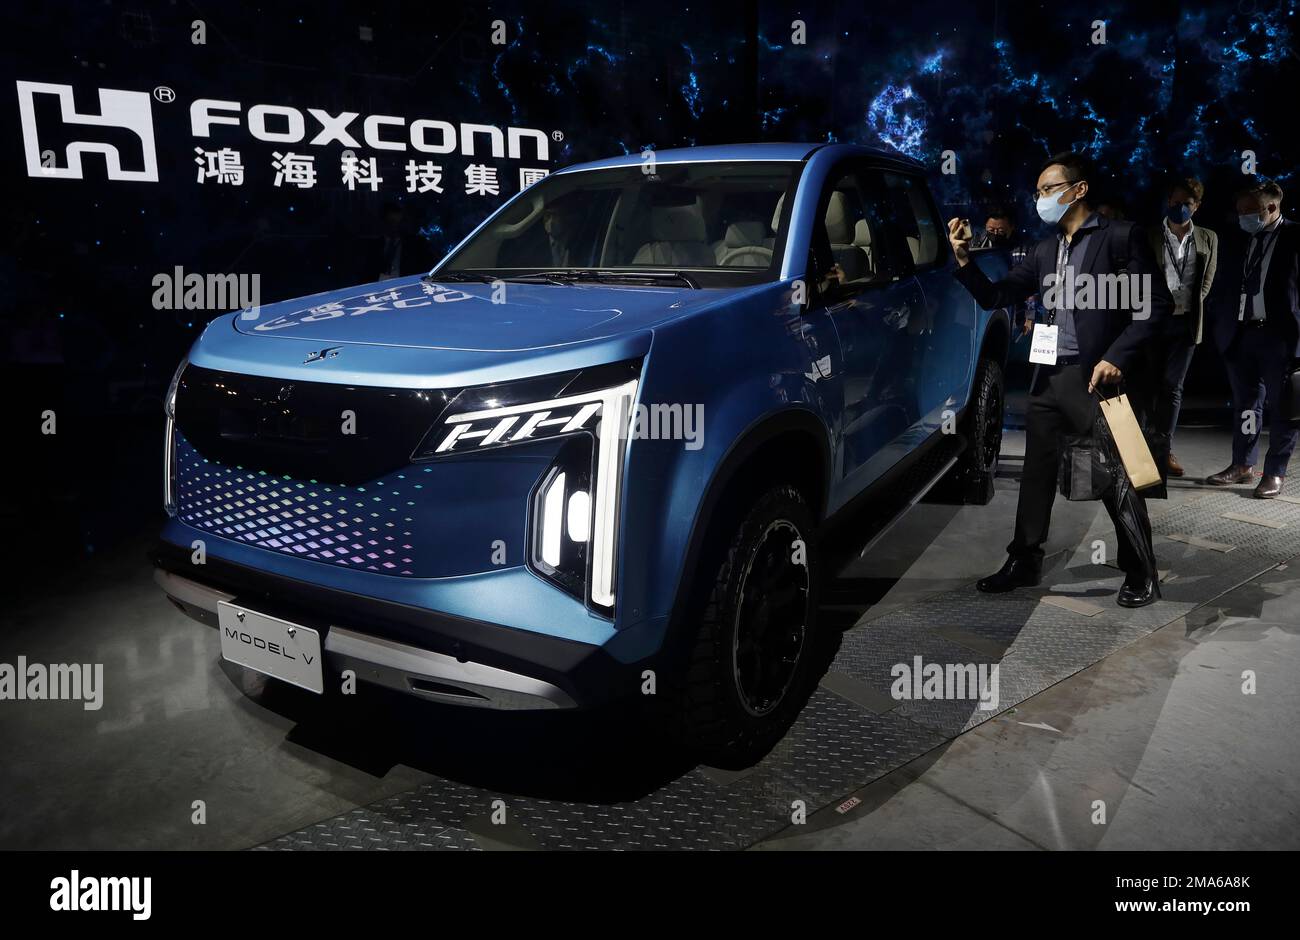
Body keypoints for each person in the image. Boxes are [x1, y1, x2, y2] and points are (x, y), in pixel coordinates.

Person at [948, 152, 1173, 608]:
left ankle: (1141, 571)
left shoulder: (1120, 237)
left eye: (1049, 189)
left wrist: (1115, 357)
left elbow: (1156, 306)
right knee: (1037, 472)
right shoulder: (1045, 249)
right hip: (1049, 377)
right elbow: (999, 294)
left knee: (1118, 475)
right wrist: (964, 260)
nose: (1041, 199)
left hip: (1098, 378)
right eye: (1037, 193)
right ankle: (1024, 559)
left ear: (1079, 189)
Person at [1205, 178, 1300, 498]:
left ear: (1272, 208)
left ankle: (1274, 472)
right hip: (1240, 334)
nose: (1243, 217)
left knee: (1284, 408)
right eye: (1240, 211)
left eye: (1250, 211)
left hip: (1280, 338)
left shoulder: (1295, 236)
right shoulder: (1240, 239)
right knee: (1246, 406)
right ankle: (1242, 465)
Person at [1142, 177, 1218, 478]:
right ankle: (1144, 450)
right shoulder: (1150, 236)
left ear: (1196, 206)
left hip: (1185, 323)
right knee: (1149, 387)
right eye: (1174, 202)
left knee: (1173, 388)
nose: (1179, 208)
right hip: (1153, 322)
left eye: (1186, 203)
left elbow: (1207, 281)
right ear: (1167, 202)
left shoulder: (1209, 237)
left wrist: (1186, 305)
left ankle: (1164, 450)